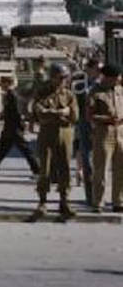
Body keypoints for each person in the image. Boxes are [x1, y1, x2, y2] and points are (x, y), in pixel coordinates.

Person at [32, 63, 78, 220]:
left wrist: (56, 112)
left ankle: (64, 201)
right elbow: (39, 114)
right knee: (44, 168)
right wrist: (59, 112)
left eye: (65, 78)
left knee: (64, 168)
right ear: (52, 77)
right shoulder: (42, 93)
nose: (63, 81)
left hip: (65, 133)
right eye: (60, 78)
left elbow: (74, 116)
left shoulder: (69, 95)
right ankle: (42, 201)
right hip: (47, 133)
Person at [0, 75, 38, 175]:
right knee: (1, 148)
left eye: (2, 83)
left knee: (25, 150)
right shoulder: (10, 94)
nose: (0, 85)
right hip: (9, 127)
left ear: (7, 83)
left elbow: (17, 112)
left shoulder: (13, 95)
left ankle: (38, 170)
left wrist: (21, 125)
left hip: (14, 127)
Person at [88, 63, 123, 213]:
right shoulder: (95, 92)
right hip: (103, 133)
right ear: (107, 78)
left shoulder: (120, 90)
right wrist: (107, 118)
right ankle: (98, 202)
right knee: (101, 169)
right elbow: (89, 116)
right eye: (116, 78)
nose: (118, 80)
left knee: (120, 169)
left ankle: (118, 202)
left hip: (120, 132)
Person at [75, 58, 101, 198]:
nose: (99, 73)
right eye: (97, 70)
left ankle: (97, 195)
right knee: (87, 158)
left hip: (101, 126)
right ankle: (90, 195)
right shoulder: (80, 85)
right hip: (85, 124)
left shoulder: (103, 85)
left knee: (100, 161)